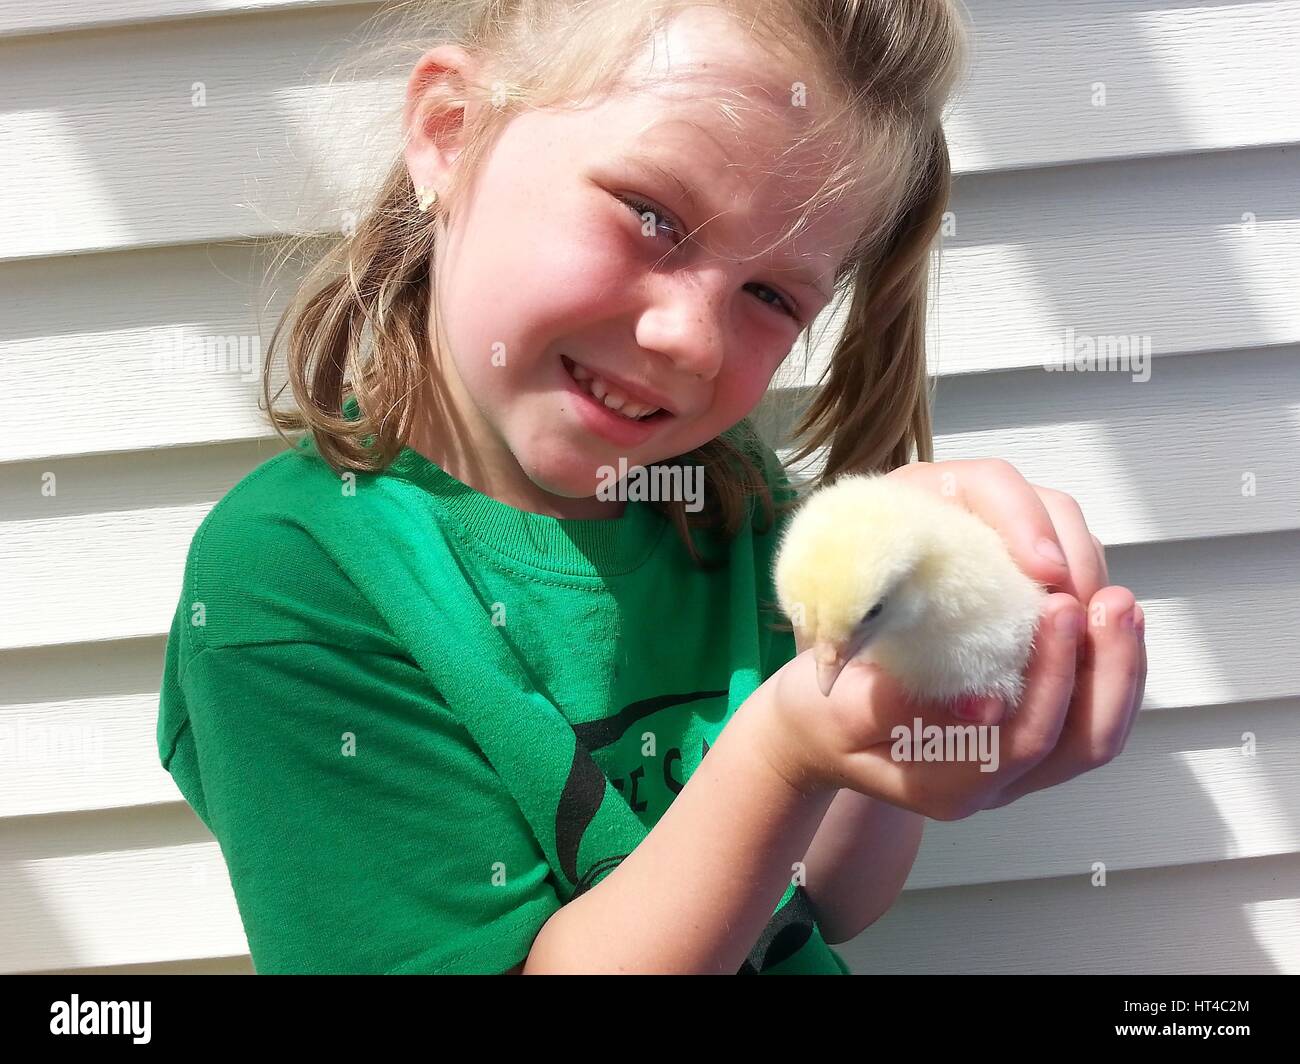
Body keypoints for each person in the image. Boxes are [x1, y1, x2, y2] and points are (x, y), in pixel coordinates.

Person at [156, 0, 1146, 974]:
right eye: (651, 216)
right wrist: (784, 751)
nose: (691, 338)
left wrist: (917, 679)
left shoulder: (723, 499)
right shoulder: (293, 576)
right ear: (450, 134)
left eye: (770, 296)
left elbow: (831, 902)